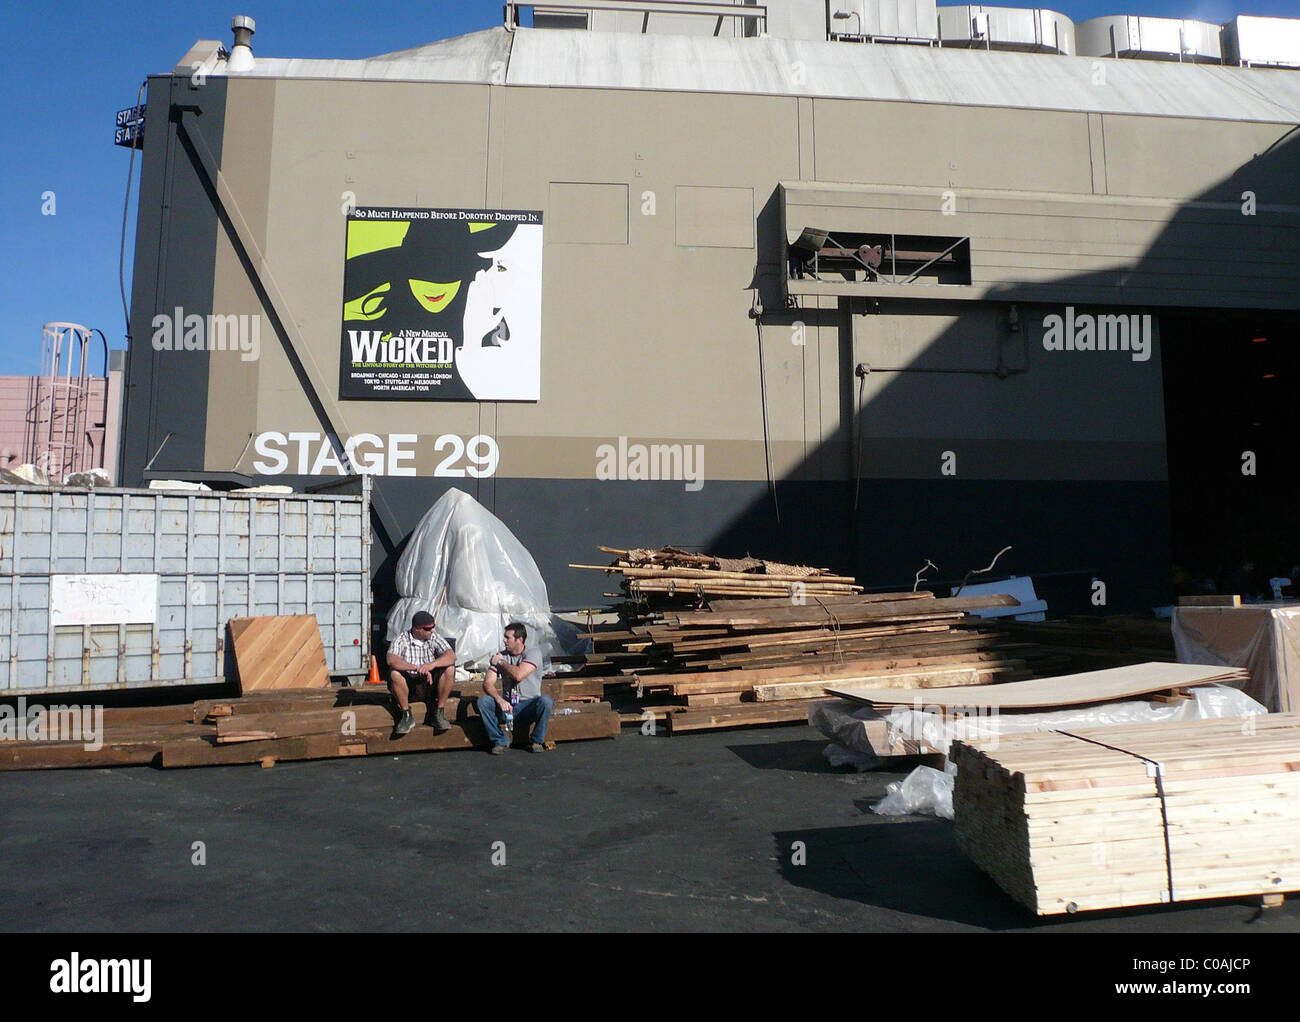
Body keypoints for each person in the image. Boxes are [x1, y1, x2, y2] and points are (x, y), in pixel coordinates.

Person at [477, 622, 551, 754]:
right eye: (504, 637)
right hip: (507, 706)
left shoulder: (533, 653)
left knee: (546, 701)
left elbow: (518, 675)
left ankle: (537, 740)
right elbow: (487, 683)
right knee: (483, 702)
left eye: (508, 638)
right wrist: (499, 700)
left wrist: (500, 662)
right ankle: (500, 740)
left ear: (519, 639)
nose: (504, 641)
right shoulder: (501, 655)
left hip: (528, 706)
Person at [386, 610, 456, 736]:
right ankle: (406, 714)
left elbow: (451, 656)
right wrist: (416, 668)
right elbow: (392, 659)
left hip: (429, 684)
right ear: (417, 629)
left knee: (450, 668)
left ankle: (439, 712)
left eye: (433, 627)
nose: (432, 631)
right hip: (410, 687)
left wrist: (431, 665)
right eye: (428, 628)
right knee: (394, 673)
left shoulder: (434, 637)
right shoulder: (401, 639)